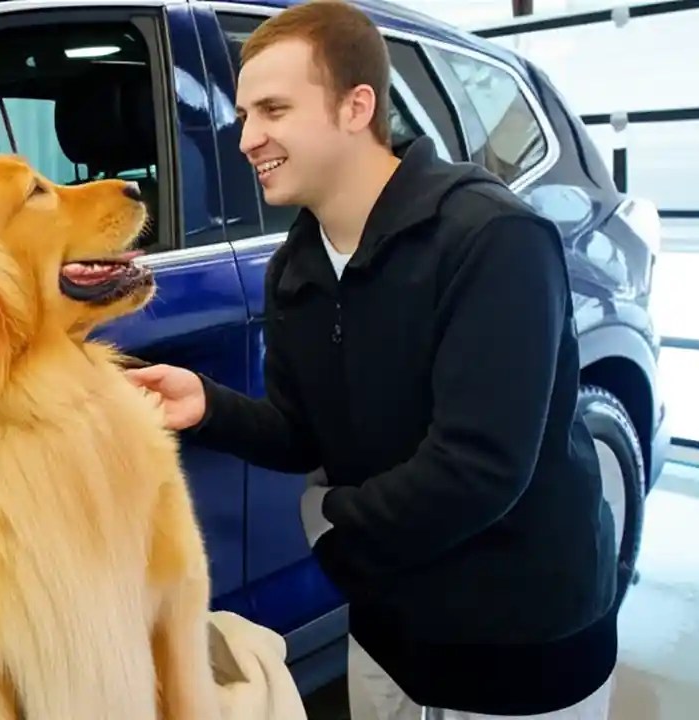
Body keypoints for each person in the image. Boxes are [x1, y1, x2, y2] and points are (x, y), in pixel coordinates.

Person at [124, 2, 619, 718]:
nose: (246, 138)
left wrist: (332, 525)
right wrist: (208, 404)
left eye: (273, 110)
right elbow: (306, 430)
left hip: (519, 647)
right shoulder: (297, 267)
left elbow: (479, 469)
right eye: (245, 114)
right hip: (391, 635)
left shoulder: (491, 240)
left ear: (357, 107)